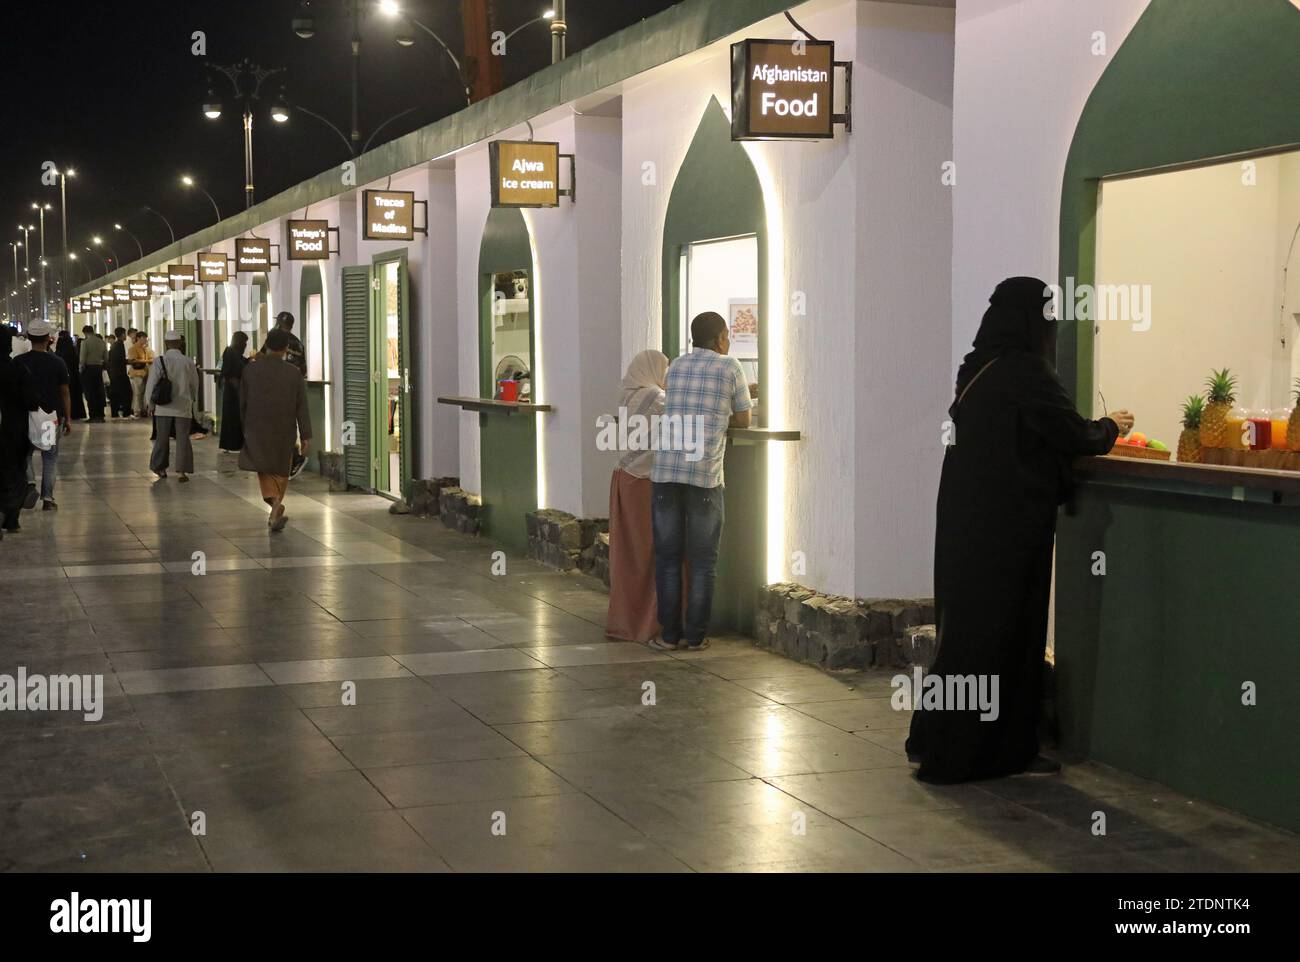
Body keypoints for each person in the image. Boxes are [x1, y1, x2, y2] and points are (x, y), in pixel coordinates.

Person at [904, 277, 1123, 784]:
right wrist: (1111, 426)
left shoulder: (976, 367)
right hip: (1008, 527)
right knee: (1008, 633)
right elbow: (1074, 433)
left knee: (964, 633)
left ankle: (937, 739)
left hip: (963, 519)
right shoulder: (1028, 373)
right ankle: (993, 750)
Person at [649, 312, 752, 651]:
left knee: (667, 557)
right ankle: (695, 637)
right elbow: (744, 419)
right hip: (703, 476)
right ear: (720, 338)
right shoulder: (730, 367)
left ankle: (669, 636)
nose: (729, 341)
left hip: (665, 472)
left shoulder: (676, 365)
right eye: (727, 335)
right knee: (703, 561)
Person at [605, 350, 670, 643]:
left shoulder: (626, 394)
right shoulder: (653, 397)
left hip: (624, 480)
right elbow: (681, 417)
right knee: (650, 554)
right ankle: (647, 624)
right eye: (664, 368)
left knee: (628, 554)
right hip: (645, 483)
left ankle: (625, 620)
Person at [239, 327, 311, 532]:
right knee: (281, 469)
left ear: (267, 345)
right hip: (284, 428)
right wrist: (306, 435)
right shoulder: (293, 372)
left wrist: (244, 426)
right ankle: (276, 505)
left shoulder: (250, 370)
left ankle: (275, 504)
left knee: (264, 467)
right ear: (286, 348)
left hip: (256, 427)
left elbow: (242, 402)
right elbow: (301, 406)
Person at [15, 320, 72, 511]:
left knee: (25, 454)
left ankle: (30, 483)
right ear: (49, 338)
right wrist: (68, 418)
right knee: (49, 457)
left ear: (29, 338)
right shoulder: (57, 362)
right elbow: (64, 392)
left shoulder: (19, 362)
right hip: (50, 416)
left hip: (25, 416)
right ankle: (48, 499)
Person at [144, 330, 200, 482]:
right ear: (180, 343)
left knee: (162, 438)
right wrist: (192, 398)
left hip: (163, 407)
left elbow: (151, 383)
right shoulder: (188, 361)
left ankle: (160, 468)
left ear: (166, 344)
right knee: (183, 438)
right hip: (183, 405)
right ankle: (182, 471)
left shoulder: (160, 361)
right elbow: (195, 383)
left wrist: (149, 403)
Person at [0, 326, 40, 537]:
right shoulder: (18, 369)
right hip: (15, 433)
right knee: (15, 473)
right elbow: (32, 401)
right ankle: (12, 518)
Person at [258, 312, 308, 477]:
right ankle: (292, 457)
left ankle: (281, 461)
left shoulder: (274, 340)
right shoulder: (299, 344)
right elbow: (303, 370)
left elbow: (261, 358)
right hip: (292, 389)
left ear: (279, 323)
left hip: (273, 389)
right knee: (289, 426)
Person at [219, 331, 250, 451]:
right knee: (231, 417)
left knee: (237, 417)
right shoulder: (230, 352)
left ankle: (236, 443)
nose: (245, 345)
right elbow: (229, 371)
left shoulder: (235, 353)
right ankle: (231, 444)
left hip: (237, 390)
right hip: (232, 391)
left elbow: (242, 363)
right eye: (244, 342)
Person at [55, 328, 86, 421]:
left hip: (62, 378)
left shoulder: (59, 353)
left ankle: (64, 413)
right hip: (74, 377)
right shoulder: (73, 351)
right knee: (74, 395)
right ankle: (76, 413)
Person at [79, 325, 107, 423]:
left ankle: (93, 416)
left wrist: (81, 369)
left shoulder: (85, 342)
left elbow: (82, 358)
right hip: (98, 368)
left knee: (90, 392)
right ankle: (101, 415)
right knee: (99, 392)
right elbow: (106, 357)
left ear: (85, 333)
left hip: (88, 369)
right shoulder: (102, 342)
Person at [107, 326, 132, 420]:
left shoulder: (115, 345)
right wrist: (128, 361)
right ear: (122, 335)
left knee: (116, 394)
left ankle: (115, 413)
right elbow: (119, 359)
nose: (126, 336)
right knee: (127, 393)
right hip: (120, 373)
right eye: (125, 334)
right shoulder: (119, 345)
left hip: (114, 373)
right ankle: (126, 413)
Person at [127, 330, 154, 417]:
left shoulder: (146, 349)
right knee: (138, 392)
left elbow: (152, 358)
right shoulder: (133, 349)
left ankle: (143, 409)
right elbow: (134, 360)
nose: (146, 340)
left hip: (145, 372)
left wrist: (146, 360)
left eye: (146, 338)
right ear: (138, 338)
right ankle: (137, 410)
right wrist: (146, 360)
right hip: (137, 373)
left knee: (143, 392)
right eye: (144, 338)